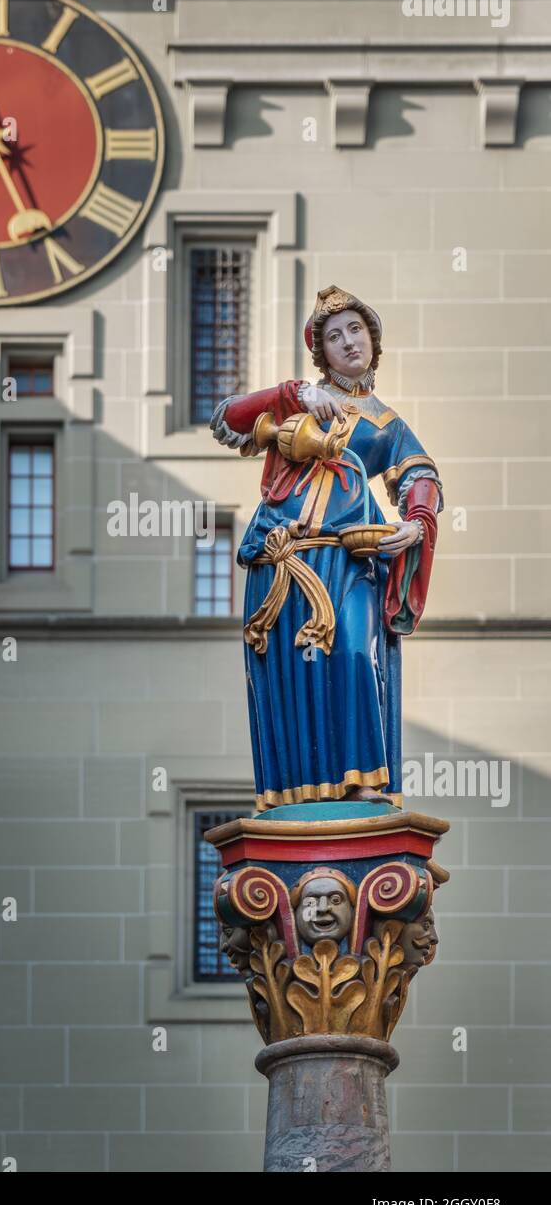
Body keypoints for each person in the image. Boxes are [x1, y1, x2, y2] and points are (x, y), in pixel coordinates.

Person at [210, 285, 442, 812]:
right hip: (284, 558)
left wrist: (417, 521)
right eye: (333, 336)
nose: (347, 341)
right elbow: (229, 419)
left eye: (355, 329)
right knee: (293, 670)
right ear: (321, 353)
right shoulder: (301, 402)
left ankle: (364, 783)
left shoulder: (387, 424)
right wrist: (291, 393)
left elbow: (421, 476)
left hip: (352, 558)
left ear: (372, 340)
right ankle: (290, 792)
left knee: (357, 653)